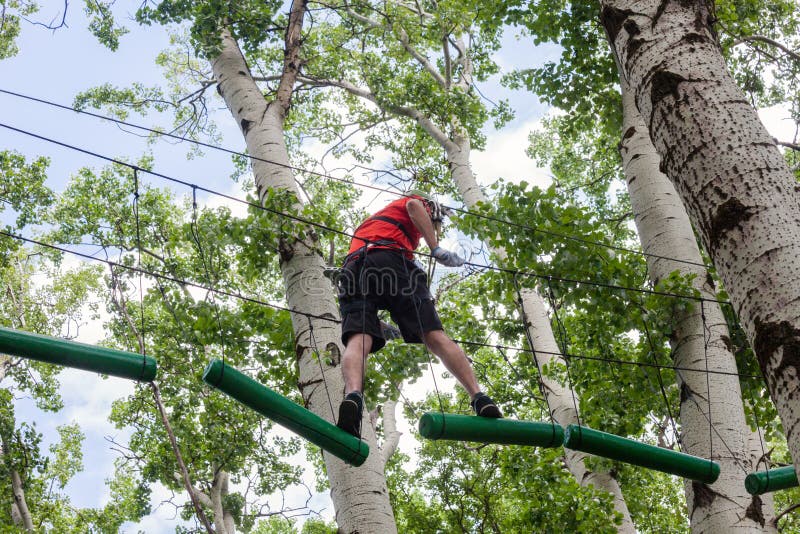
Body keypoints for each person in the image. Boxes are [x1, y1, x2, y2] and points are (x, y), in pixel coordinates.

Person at [335, 191, 502, 438]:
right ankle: (479, 396)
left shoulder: (373, 223)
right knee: (434, 336)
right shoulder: (416, 202)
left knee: (358, 338)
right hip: (391, 259)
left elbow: (373, 288)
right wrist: (435, 248)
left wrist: (382, 325)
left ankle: (353, 396)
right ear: (433, 210)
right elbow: (414, 205)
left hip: (352, 268)